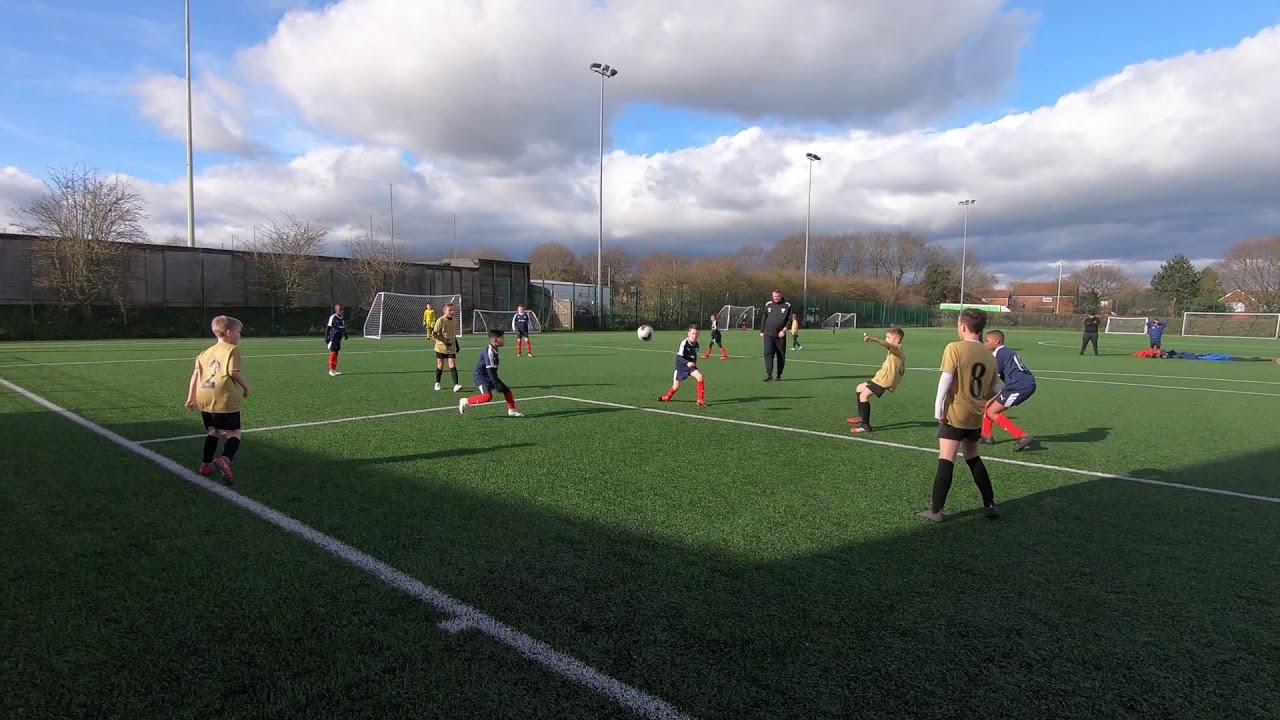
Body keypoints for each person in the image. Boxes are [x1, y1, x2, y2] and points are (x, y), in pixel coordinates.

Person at [917, 308, 1000, 523]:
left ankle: (936, 511)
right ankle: (990, 503)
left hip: (954, 413)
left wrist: (938, 409)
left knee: (947, 458)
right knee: (973, 457)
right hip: (975, 416)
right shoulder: (989, 356)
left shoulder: (954, 347)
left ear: (963, 326)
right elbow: (994, 391)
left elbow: (945, 380)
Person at [185, 315, 251, 485]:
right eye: (238, 332)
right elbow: (233, 372)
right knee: (234, 433)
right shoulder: (231, 350)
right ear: (229, 332)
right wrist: (246, 387)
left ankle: (206, 465)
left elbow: (195, 376)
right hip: (224, 396)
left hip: (204, 396)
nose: (240, 335)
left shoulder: (204, 353)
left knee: (214, 431)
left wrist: (191, 398)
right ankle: (225, 459)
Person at [981, 330, 1036, 451]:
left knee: (992, 412)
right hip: (1018, 384)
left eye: (987, 341)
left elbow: (992, 379)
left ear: (996, 341)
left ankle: (1022, 436)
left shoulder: (998, 355)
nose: (985, 343)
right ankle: (986, 436)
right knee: (988, 405)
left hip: (1019, 386)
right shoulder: (1007, 352)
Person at [848, 328, 905, 434]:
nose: (886, 339)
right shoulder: (896, 349)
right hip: (880, 378)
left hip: (884, 380)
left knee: (863, 396)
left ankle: (865, 426)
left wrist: (874, 339)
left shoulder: (897, 348)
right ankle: (861, 416)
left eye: (888, 337)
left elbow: (887, 344)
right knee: (859, 388)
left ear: (897, 339)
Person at [459, 329, 523, 417]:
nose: (504, 340)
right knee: (488, 397)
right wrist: (495, 383)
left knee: (506, 390)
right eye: (502, 338)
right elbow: (490, 370)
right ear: (496, 341)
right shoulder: (489, 352)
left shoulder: (494, 348)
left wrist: (496, 382)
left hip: (490, 375)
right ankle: (465, 401)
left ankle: (512, 410)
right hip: (481, 377)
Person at [659, 324, 707, 406]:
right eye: (693, 333)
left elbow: (694, 356)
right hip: (681, 366)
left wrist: (693, 364)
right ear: (688, 333)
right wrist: (687, 363)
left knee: (700, 376)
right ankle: (667, 397)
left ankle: (700, 400)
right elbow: (679, 357)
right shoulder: (684, 343)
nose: (694, 335)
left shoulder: (697, 344)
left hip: (690, 366)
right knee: (676, 386)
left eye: (696, 334)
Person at [760, 289, 794, 381]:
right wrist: (762, 331)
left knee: (781, 355)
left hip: (780, 335)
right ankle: (769, 374)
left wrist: (784, 330)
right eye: (774, 296)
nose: (776, 298)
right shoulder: (768, 304)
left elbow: (790, 319)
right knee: (767, 353)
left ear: (781, 296)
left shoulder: (787, 305)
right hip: (768, 334)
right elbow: (764, 317)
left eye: (778, 296)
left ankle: (779, 374)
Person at [431, 303, 462, 392]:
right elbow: (434, 334)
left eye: (453, 310)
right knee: (440, 365)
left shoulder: (454, 321)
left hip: (451, 348)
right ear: (444, 311)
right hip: (440, 347)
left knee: (453, 364)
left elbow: (453, 335)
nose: (452, 312)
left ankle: (456, 385)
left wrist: (457, 345)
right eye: (450, 310)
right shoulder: (440, 320)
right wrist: (444, 341)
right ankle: (437, 383)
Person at [325, 304, 348, 376]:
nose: (342, 311)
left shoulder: (342, 318)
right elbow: (328, 328)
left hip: (338, 338)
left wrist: (345, 334)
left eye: (343, 310)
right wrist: (326, 337)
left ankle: (334, 370)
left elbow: (343, 327)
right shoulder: (333, 317)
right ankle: (331, 370)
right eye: (340, 310)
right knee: (333, 353)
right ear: (336, 310)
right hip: (333, 338)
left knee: (336, 354)